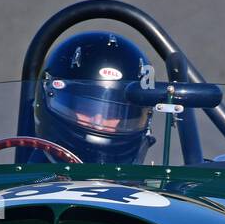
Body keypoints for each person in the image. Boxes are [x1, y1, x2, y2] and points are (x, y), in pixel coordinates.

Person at [32, 32, 154, 164]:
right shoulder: (27, 182)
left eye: (113, 113)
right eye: (87, 108)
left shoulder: (149, 184)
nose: (98, 122)